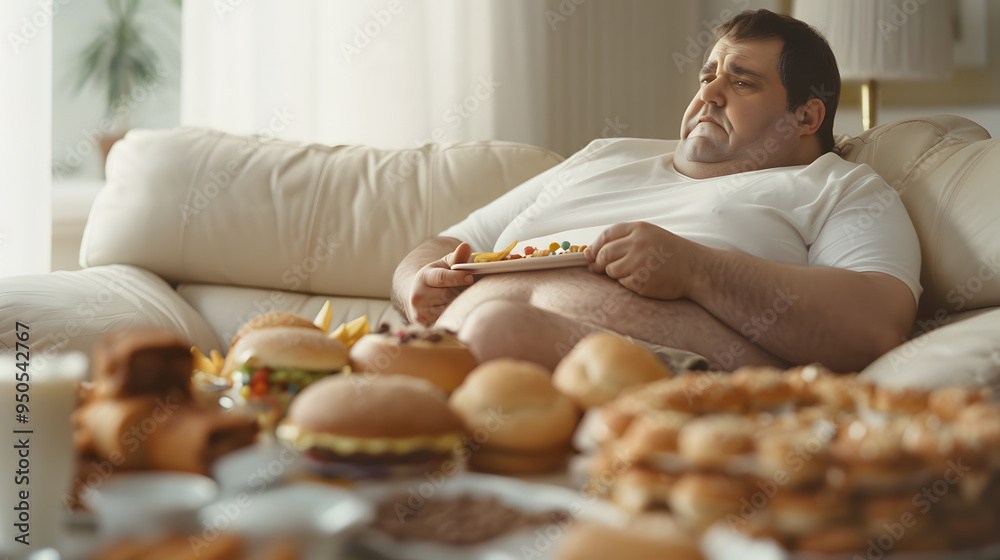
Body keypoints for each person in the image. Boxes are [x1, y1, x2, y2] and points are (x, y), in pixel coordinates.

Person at [390, 9, 921, 374]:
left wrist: (697, 269)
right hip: (458, 358)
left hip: (669, 389)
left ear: (806, 115)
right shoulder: (608, 154)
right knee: (368, 361)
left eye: (741, 82)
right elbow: (441, 244)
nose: (708, 92)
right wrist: (420, 280)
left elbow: (874, 325)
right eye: (707, 75)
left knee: (498, 330)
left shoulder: (839, 187)